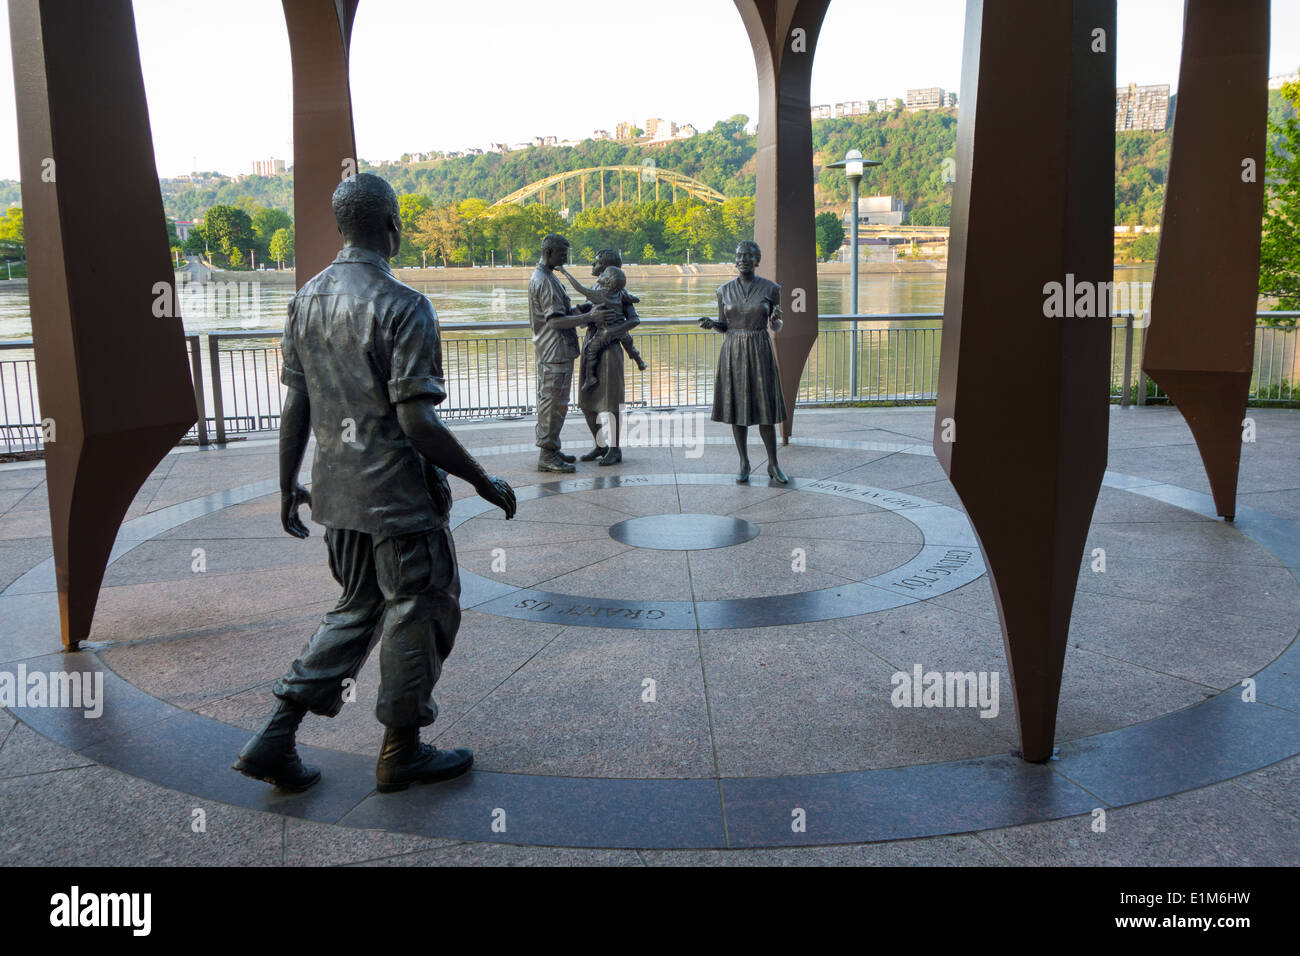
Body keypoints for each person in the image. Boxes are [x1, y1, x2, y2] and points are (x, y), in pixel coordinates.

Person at [233, 172, 517, 794]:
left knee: (355, 610)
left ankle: (275, 735)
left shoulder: (304, 299)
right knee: (420, 610)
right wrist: (481, 479)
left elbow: (296, 406)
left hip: (339, 496)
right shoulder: (404, 304)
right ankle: (402, 750)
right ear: (391, 224)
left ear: (341, 226)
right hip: (399, 501)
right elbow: (417, 419)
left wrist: (288, 485)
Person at [699, 240, 789, 484]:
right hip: (733, 350)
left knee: (765, 411)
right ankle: (744, 462)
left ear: (757, 260)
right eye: (739, 255)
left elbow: (776, 325)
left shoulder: (771, 289)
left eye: (749, 256)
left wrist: (777, 320)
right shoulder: (723, 290)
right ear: (735, 259)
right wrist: (712, 324)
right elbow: (724, 325)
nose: (743, 259)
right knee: (737, 408)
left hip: (759, 348)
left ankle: (773, 463)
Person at [571, 249, 642, 465]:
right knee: (586, 401)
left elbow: (634, 319)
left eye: (596, 261)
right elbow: (588, 317)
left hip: (610, 349)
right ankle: (600, 444)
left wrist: (613, 331)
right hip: (591, 343)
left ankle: (615, 449)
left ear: (606, 269)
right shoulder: (595, 290)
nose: (592, 263)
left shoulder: (619, 293)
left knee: (611, 402)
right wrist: (583, 316)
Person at [529, 233, 591, 473]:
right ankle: (547, 454)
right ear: (549, 253)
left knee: (556, 403)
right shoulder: (544, 280)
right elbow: (554, 322)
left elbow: (560, 313)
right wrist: (587, 317)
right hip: (554, 352)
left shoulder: (547, 277)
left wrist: (578, 310)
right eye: (562, 254)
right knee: (553, 403)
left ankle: (552, 448)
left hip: (556, 351)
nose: (565, 259)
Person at [558, 264, 646, 391]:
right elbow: (631, 298)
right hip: (621, 329)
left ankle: (590, 378)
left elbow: (579, 288)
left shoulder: (599, 295)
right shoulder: (620, 293)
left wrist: (564, 272)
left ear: (607, 281)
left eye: (603, 273)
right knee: (629, 344)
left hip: (605, 331)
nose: (600, 274)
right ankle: (639, 361)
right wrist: (636, 299)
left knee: (590, 350)